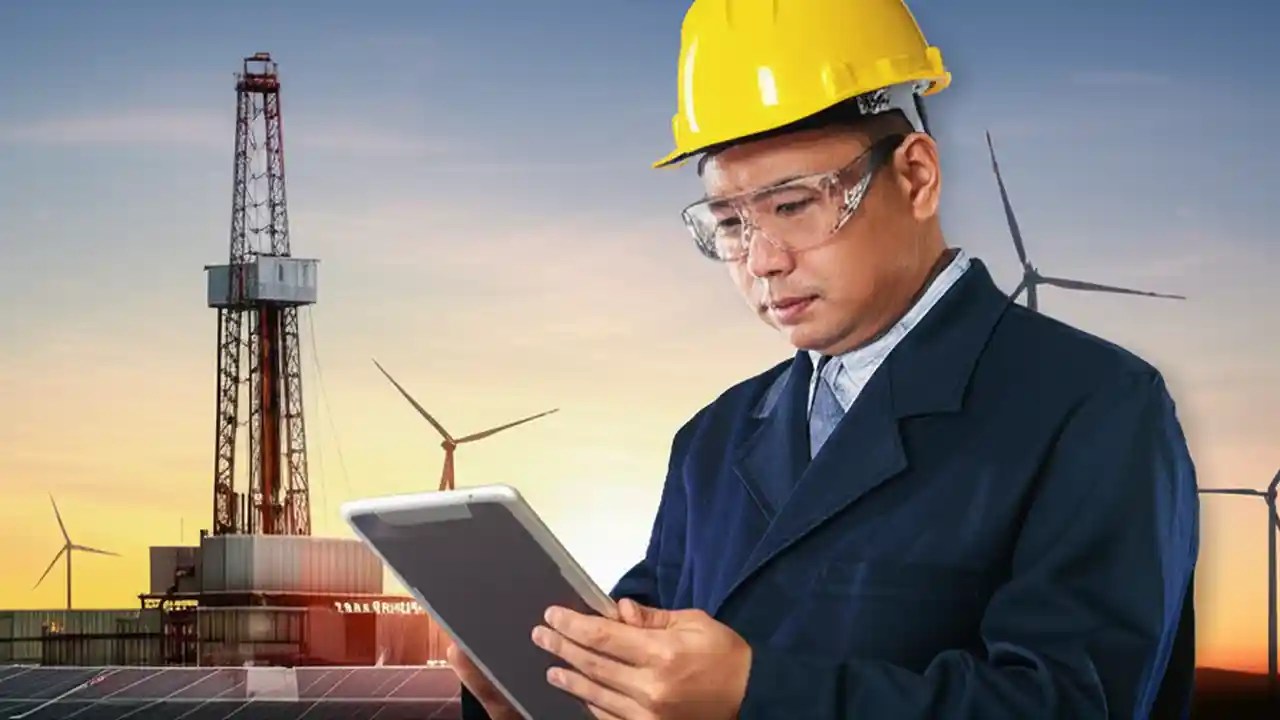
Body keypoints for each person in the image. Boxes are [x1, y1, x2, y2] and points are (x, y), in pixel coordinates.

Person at [452, 0, 1200, 717]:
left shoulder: (1093, 407)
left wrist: (758, 697)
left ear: (915, 176)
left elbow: (1073, 704)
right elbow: (642, 676)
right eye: (729, 225)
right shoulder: (713, 439)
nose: (764, 261)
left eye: (793, 204)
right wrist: (536, 698)